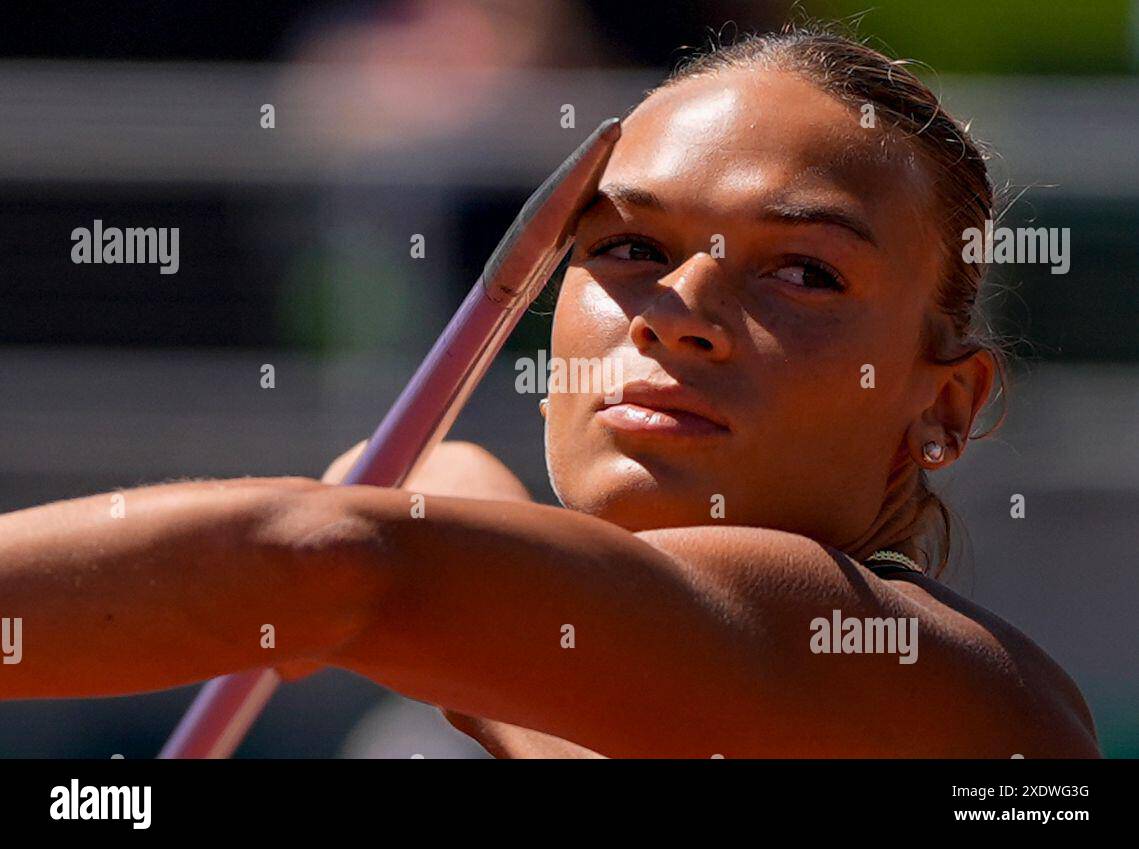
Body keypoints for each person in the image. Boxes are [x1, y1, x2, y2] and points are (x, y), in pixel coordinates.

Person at [0, 26, 1099, 757]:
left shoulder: (917, 674)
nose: (674, 310)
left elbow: (331, 562)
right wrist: (429, 504)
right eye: (627, 247)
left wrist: (377, 544)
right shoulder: (596, 679)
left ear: (944, 407)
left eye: (803, 271)